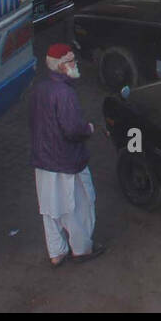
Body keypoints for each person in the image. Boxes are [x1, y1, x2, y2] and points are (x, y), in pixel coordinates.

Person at [29, 43, 103, 268]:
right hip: (67, 161)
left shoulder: (40, 88)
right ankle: (82, 249)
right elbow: (72, 129)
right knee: (79, 204)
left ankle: (56, 253)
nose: (75, 64)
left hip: (43, 160)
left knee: (50, 208)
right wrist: (89, 129)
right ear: (61, 66)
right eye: (71, 61)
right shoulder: (65, 93)